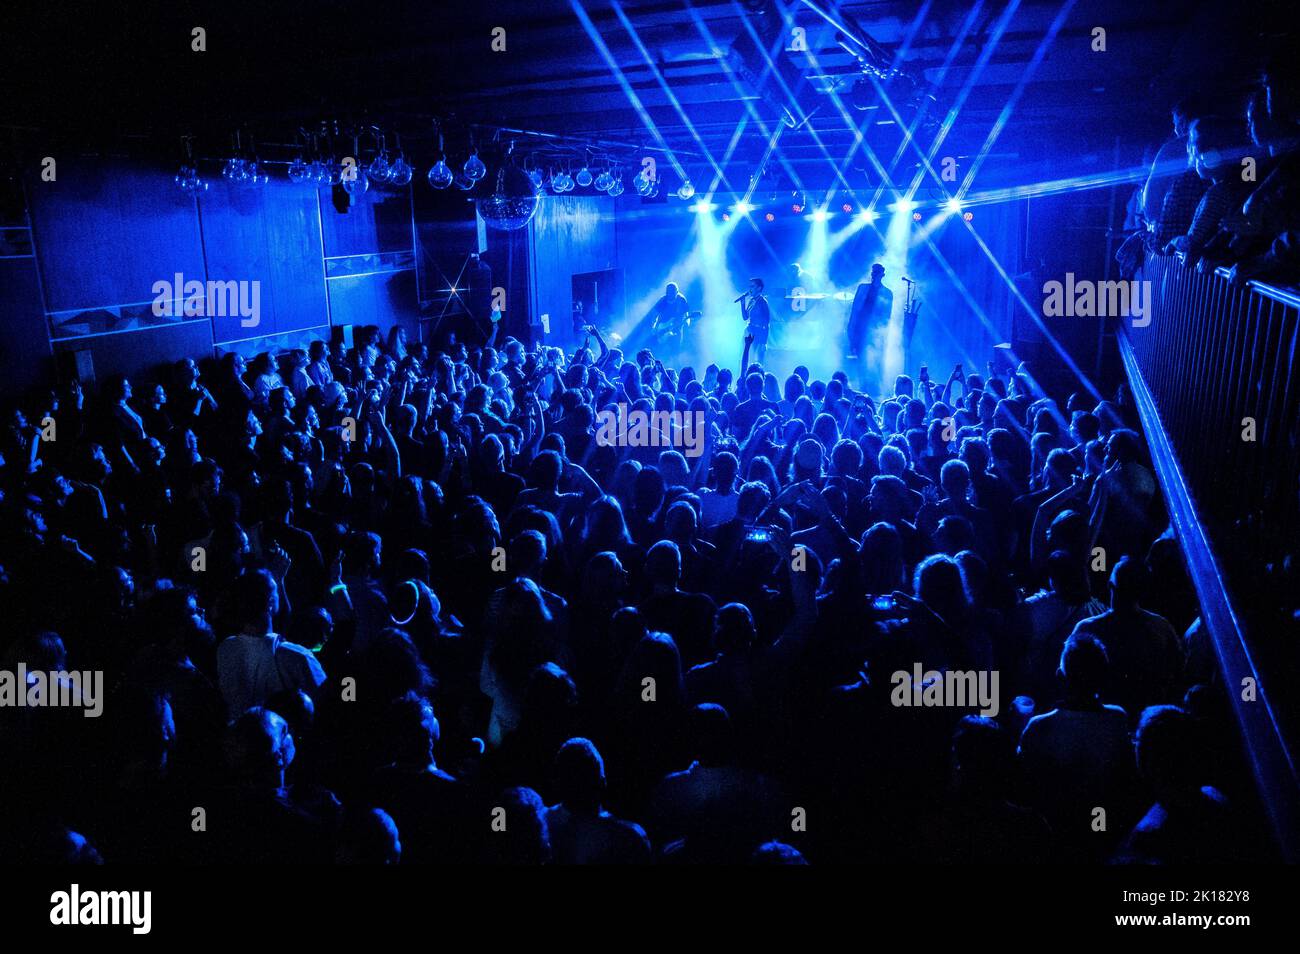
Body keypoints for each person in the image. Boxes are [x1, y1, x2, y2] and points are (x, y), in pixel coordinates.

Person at [846, 263, 894, 394]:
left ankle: (875, 389)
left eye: (876, 272)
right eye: (872, 272)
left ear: (882, 275)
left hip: (876, 332)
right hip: (860, 330)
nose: (873, 275)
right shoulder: (862, 288)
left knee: (876, 359)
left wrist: (884, 336)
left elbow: (887, 317)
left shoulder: (887, 293)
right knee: (860, 359)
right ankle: (862, 387)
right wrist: (850, 327)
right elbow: (854, 309)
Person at [740, 277, 771, 366]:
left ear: (759, 288)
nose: (750, 289)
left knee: (757, 359)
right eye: (749, 286)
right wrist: (742, 303)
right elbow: (745, 317)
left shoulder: (763, 302)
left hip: (759, 332)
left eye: (752, 286)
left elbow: (767, 322)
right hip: (750, 330)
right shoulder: (751, 301)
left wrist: (764, 342)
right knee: (746, 355)